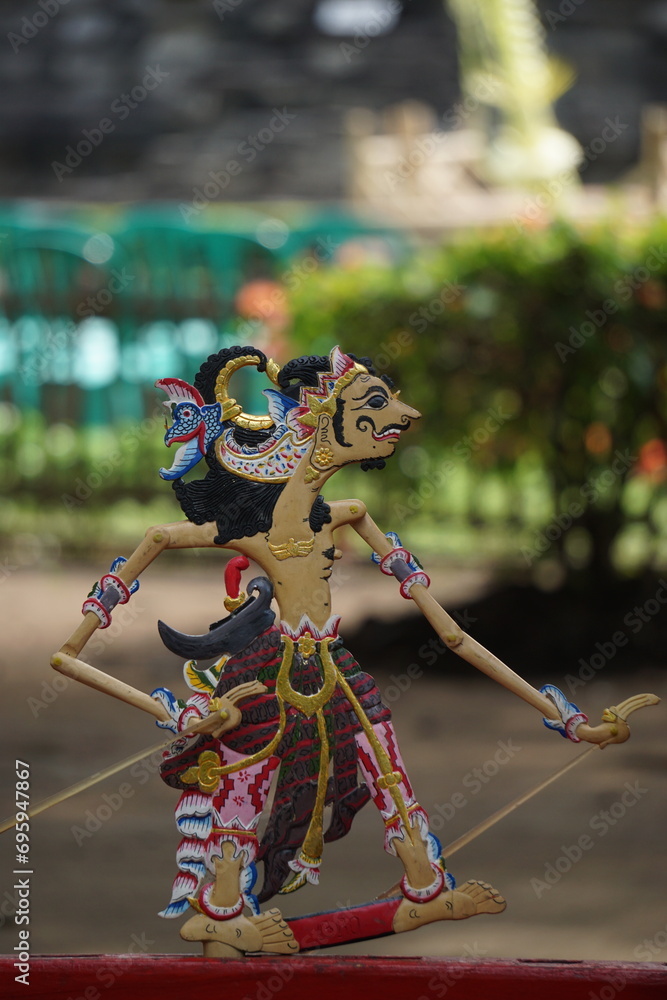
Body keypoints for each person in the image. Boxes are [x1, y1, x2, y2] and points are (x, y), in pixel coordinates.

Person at [143, 345, 505, 951]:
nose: (406, 415)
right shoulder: (244, 531)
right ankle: (221, 908)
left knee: (383, 755)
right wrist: (182, 714)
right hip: (267, 670)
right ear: (322, 419)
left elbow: (451, 634)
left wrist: (568, 719)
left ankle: (423, 885)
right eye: (376, 404)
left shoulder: (347, 514)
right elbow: (67, 655)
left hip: (331, 660)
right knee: (247, 782)